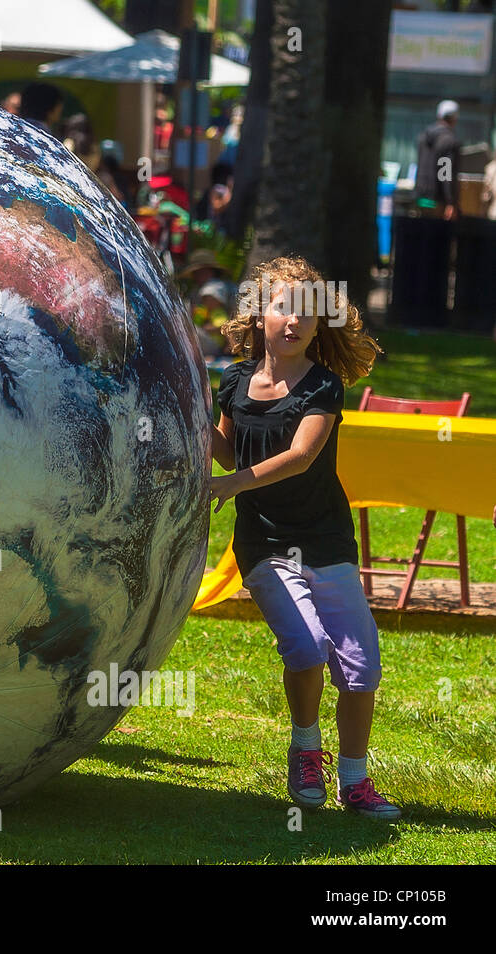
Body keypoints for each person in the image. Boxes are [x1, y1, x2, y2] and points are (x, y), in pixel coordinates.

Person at [209, 255, 399, 820]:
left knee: (361, 667)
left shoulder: (323, 386)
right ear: (260, 314)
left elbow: (300, 455)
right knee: (306, 646)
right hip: (264, 544)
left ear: (320, 327)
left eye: (308, 316)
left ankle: (356, 780)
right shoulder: (235, 382)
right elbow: (225, 447)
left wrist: (230, 485)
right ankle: (305, 747)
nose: (293, 323)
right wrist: (187, 418)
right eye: (282, 309)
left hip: (326, 541)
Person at [417, 99, 459, 221]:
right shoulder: (449, 141)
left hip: (421, 197)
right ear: (454, 118)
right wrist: (451, 202)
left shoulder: (423, 137)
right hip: (437, 199)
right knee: (436, 236)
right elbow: (445, 173)